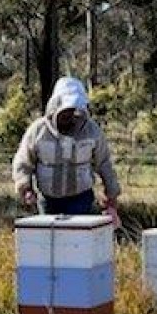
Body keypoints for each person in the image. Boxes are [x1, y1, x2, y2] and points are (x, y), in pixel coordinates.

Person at [12, 76, 121, 226]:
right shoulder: (38, 131)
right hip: (48, 200)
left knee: (77, 242)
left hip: (81, 199)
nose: (68, 116)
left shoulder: (92, 131)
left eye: (72, 111)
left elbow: (104, 163)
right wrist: (25, 188)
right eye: (65, 111)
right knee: (51, 243)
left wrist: (111, 193)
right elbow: (23, 162)